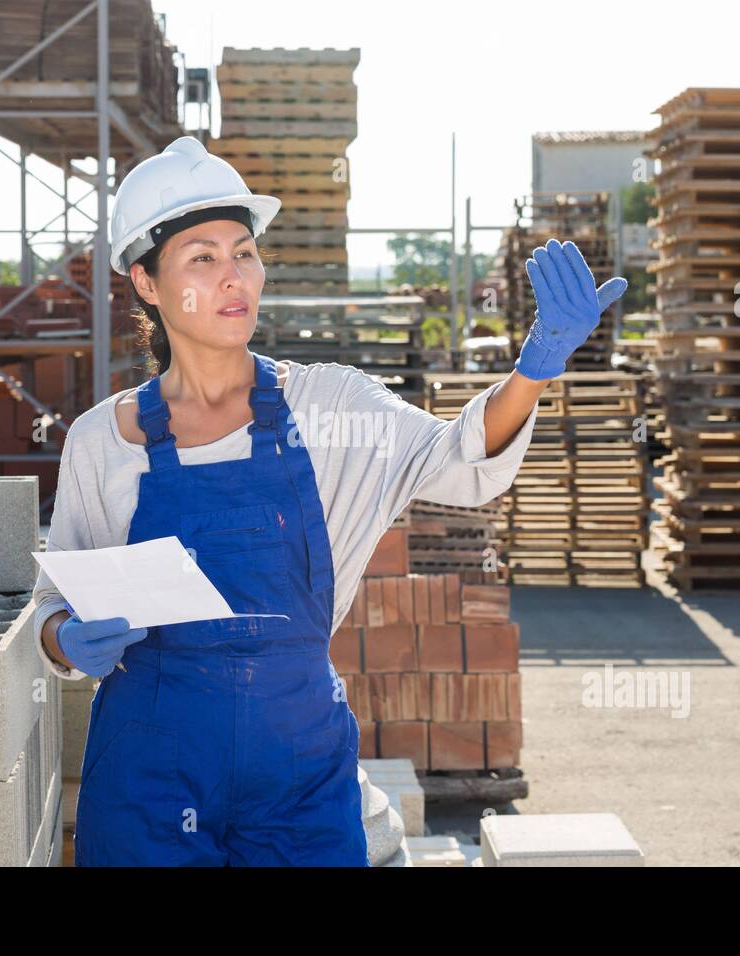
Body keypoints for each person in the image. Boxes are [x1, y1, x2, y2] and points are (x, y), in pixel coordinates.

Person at [31, 135, 627, 866]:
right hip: (150, 776)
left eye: (244, 252)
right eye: (203, 257)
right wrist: (65, 637)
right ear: (147, 283)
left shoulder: (330, 407)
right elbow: (53, 596)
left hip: (297, 769)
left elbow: (460, 461)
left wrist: (534, 368)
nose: (233, 277)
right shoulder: (102, 442)